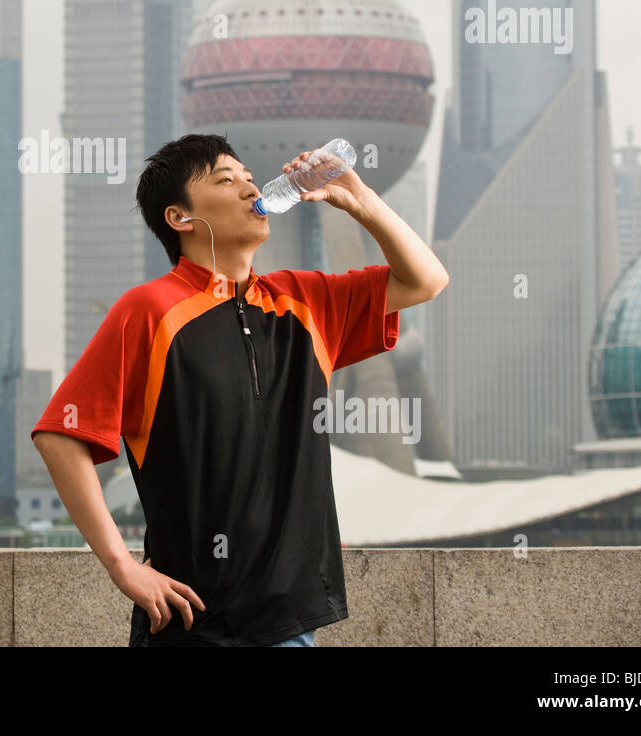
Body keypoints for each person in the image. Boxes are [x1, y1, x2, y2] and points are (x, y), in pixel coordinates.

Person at [31, 133, 449, 646]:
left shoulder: (305, 301)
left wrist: (356, 198)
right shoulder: (150, 310)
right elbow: (60, 434)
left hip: (291, 622)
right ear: (180, 219)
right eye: (225, 180)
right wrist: (121, 566)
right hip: (188, 621)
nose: (249, 186)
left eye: (249, 176)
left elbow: (426, 280)